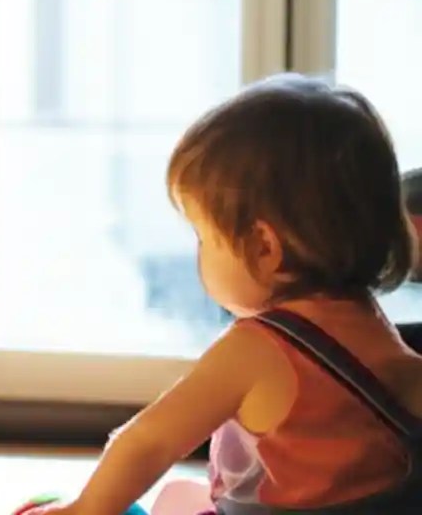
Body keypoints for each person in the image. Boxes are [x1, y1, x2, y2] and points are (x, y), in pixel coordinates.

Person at [22, 73, 422, 515]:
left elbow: (150, 441)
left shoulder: (257, 350)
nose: (199, 254)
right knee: (182, 494)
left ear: (263, 247)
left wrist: (84, 509)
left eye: (203, 238)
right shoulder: (390, 343)